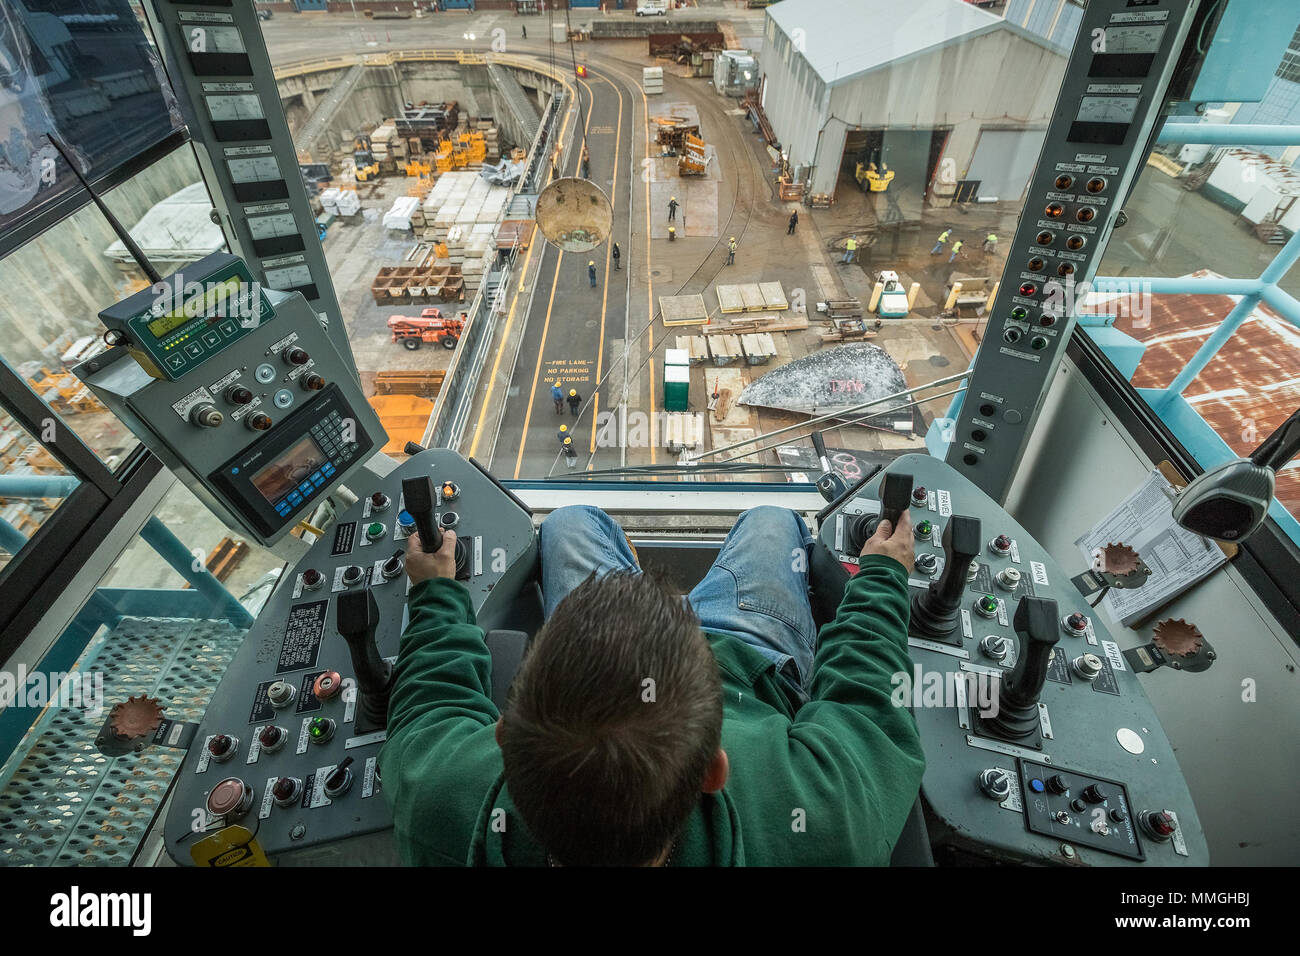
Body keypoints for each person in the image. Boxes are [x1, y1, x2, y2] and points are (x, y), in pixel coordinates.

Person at [380, 502, 924, 866]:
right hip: (745, 656)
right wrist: (881, 577)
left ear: (503, 738)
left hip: (608, 650)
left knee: (570, 521)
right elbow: (867, 701)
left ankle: (627, 591)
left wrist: (433, 593)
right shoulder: (826, 824)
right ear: (714, 770)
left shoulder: (440, 805)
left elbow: (431, 698)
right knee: (772, 521)